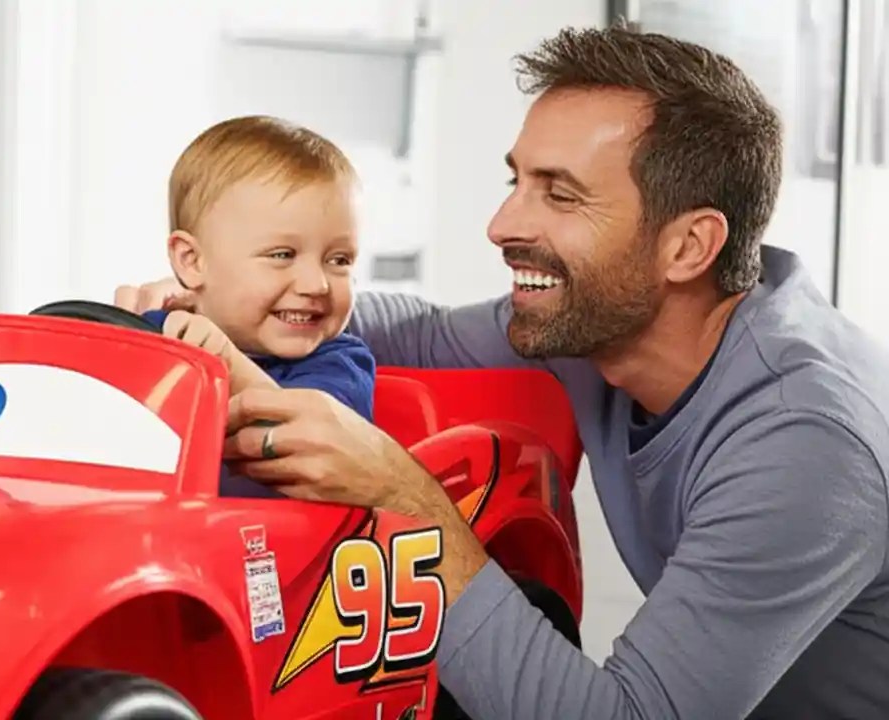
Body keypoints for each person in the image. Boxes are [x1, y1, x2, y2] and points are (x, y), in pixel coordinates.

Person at [115, 25, 889, 720]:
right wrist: (219, 303)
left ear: (688, 248)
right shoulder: (602, 326)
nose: (503, 225)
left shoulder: (804, 439)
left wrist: (400, 498)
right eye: (515, 181)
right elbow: (413, 332)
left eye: (560, 195)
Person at [142, 115, 375, 421]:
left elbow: (309, 439)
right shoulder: (151, 334)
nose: (316, 285)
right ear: (192, 261)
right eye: (282, 255)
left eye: (339, 260)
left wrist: (227, 363)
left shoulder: (339, 364)